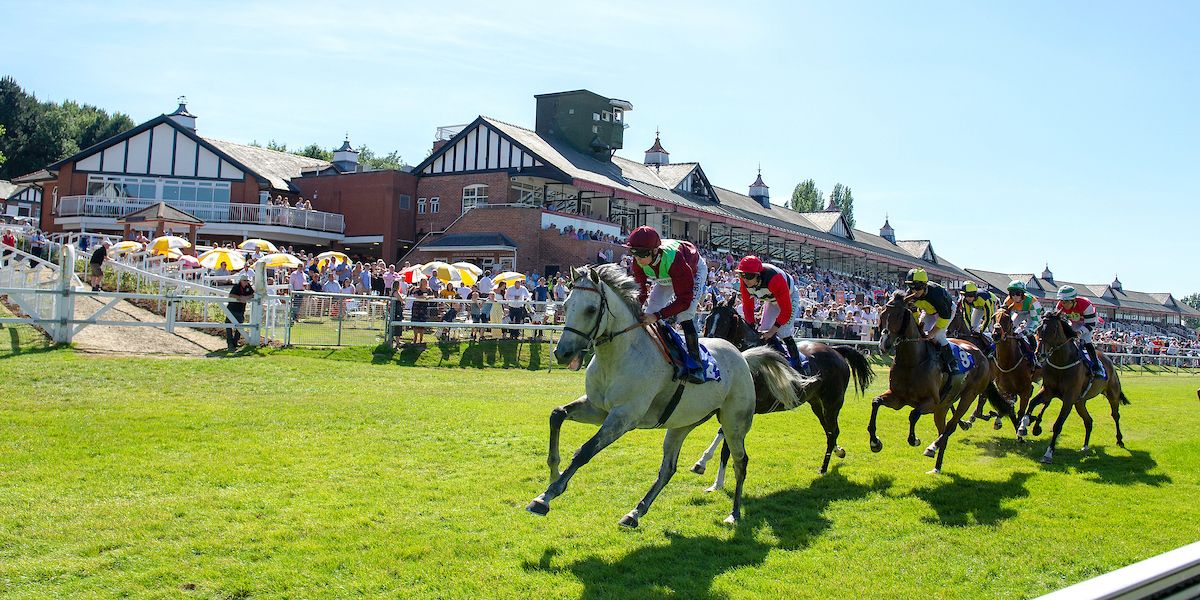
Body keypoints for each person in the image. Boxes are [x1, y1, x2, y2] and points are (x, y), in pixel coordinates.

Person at [626, 225, 708, 383]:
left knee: (686, 315)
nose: (638, 258)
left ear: (655, 251)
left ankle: (696, 365)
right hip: (668, 274)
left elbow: (683, 301)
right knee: (648, 311)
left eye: (642, 253)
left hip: (692, 271)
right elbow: (641, 294)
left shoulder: (674, 259)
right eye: (633, 252)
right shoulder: (637, 262)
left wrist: (657, 316)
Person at [734, 255, 803, 363]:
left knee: (783, 331)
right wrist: (752, 325)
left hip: (789, 296)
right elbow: (748, 307)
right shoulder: (744, 282)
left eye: (749, 275)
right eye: (742, 274)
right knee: (764, 331)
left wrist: (772, 331)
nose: (745, 279)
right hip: (772, 300)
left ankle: (798, 364)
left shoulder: (775, 279)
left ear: (758, 274)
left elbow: (786, 311)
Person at [904, 268, 957, 375]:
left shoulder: (937, 294)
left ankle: (952, 362)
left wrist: (932, 333)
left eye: (918, 287)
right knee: (921, 333)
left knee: (938, 335)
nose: (914, 291)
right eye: (911, 287)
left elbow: (944, 318)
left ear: (925, 286)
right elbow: (914, 313)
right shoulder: (910, 295)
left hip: (946, 311)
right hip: (928, 311)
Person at [1055, 285, 1105, 378]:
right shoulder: (1059, 306)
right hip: (1075, 322)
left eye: (1067, 301)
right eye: (1062, 301)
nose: (1064, 304)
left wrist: (1079, 333)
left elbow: (1090, 325)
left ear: (1074, 300)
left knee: (1085, 341)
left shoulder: (1085, 305)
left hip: (1088, 322)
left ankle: (1097, 367)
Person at [1001, 280, 1044, 367]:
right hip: (1019, 314)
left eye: (1018, 293)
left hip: (1031, 316)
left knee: (1027, 334)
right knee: (1009, 329)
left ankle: (1035, 358)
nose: (1015, 296)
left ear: (1023, 293)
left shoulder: (1032, 302)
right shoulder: (1008, 300)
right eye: (1012, 293)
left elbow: (1037, 322)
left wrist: (1026, 331)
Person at [959, 280, 998, 351]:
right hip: (978, 307)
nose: (968, 298)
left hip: (992, 303)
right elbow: (966, 316)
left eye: (970, 295)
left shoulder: (984, 299)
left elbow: (988, 317)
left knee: (991, 327)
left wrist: (981, 330)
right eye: (965, 295)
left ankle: (995, 347)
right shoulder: (964, 300)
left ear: (975, 294)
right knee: (973, 326)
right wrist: (970, 328)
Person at [226, 272, 255, 351]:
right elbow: (231, 295)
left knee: (240, 326)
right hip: (232, 309)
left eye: (247, 281)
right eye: (245, 280)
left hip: (241, 310)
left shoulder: (248, 287)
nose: (246, 282)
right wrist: (240, 297)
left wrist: (245, 297)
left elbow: (253, 294)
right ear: (241, 281)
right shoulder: (236, 286)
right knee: (229, 326)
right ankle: (230, 343)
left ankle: (235, 342)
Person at [409, 278, 435, 345]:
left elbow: (433, 296)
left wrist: (428, 297)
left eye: (425, 282)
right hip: (417, 308)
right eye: (423, 282)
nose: (424, 283)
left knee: (423, 323)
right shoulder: (417, 289)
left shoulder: (429, 289)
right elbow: (415, 295)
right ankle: (415, 338)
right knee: (416, 323)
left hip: (424, 308)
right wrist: (421, 297)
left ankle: (421, 339)